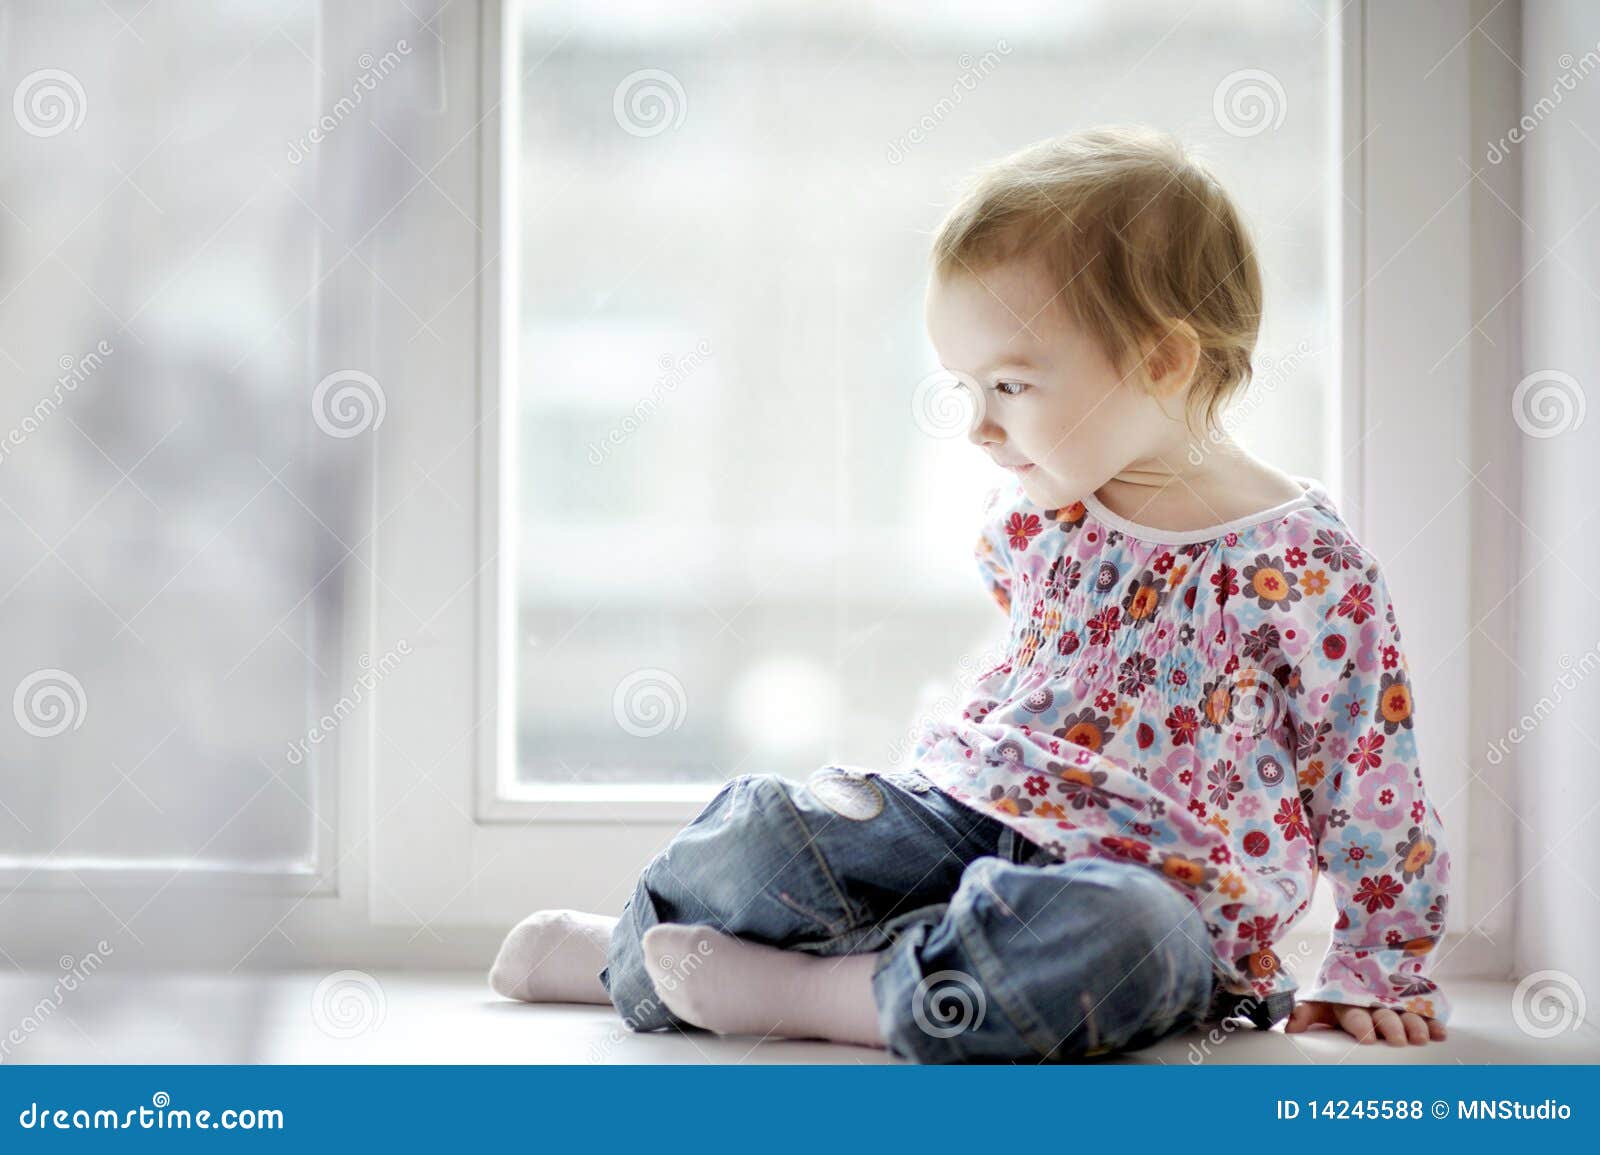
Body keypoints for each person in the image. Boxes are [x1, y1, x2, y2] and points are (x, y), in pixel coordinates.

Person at [488, 125, 1452, 1062]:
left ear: (1162, 359)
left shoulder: (1308, 565)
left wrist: (1378, 959)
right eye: (964, 387)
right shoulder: (1048, 514)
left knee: (1126, 945)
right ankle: (639, 952)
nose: (979, 428)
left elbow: (1369, 771)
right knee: (772, 831)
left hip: (1162, 879)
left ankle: (812, 992)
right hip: (971, 808)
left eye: (1011, 384)